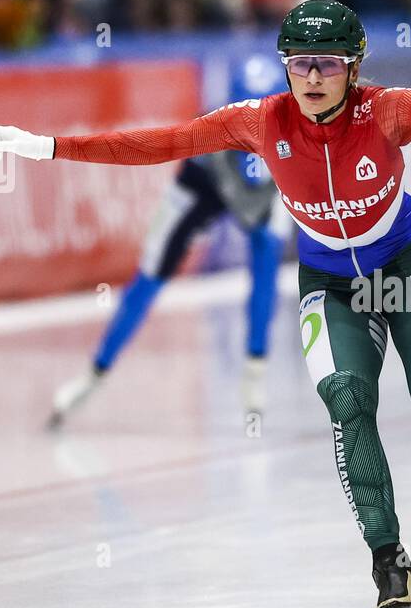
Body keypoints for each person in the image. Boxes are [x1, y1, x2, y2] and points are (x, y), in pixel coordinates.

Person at [0, 0, 411, 608]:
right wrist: (48, 147)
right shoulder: (260, 121)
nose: (311, 78)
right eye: (298, 64)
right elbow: (161, 143)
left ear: (353, 67)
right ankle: (389, 565)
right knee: (348, 404)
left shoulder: (387, 110)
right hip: (330, 280)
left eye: (326, 65)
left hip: (408, 264)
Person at [47, 54, 292, 429]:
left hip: (267, 195)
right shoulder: (201, 141)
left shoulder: (301, 133)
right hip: (204, 184)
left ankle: (255, 371)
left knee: (266, 264)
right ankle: (94, 375)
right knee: (152, 270)